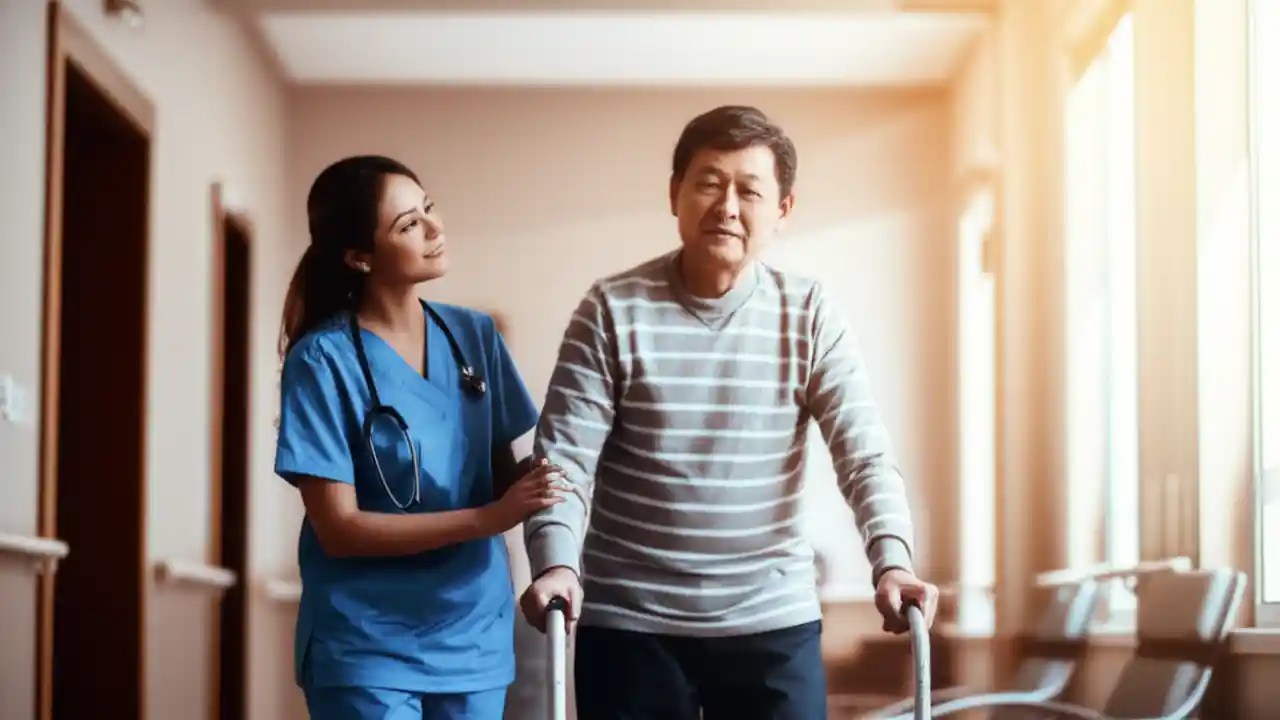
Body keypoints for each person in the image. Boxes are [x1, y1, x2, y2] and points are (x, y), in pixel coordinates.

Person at [519, 106, 939, 719]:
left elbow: (864, 454)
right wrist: (555, 562)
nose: (728, 206)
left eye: (750, 190)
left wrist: (893, 560)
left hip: (771, 620)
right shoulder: (611, 309)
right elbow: (563, 462)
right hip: (633, 625)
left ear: (783, 211)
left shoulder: (810, 313)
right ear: (675, 194)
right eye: (709, 183)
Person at [273, 154, 565, 720]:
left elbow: (506, 474)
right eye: (408, 224)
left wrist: (562, 471)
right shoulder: (323, 360)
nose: (434, 228)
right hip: (366, 642)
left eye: (428, 208)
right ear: (360, 257)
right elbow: (340, 527)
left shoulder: (474, 338)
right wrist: (489, 518)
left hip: (473, 635)